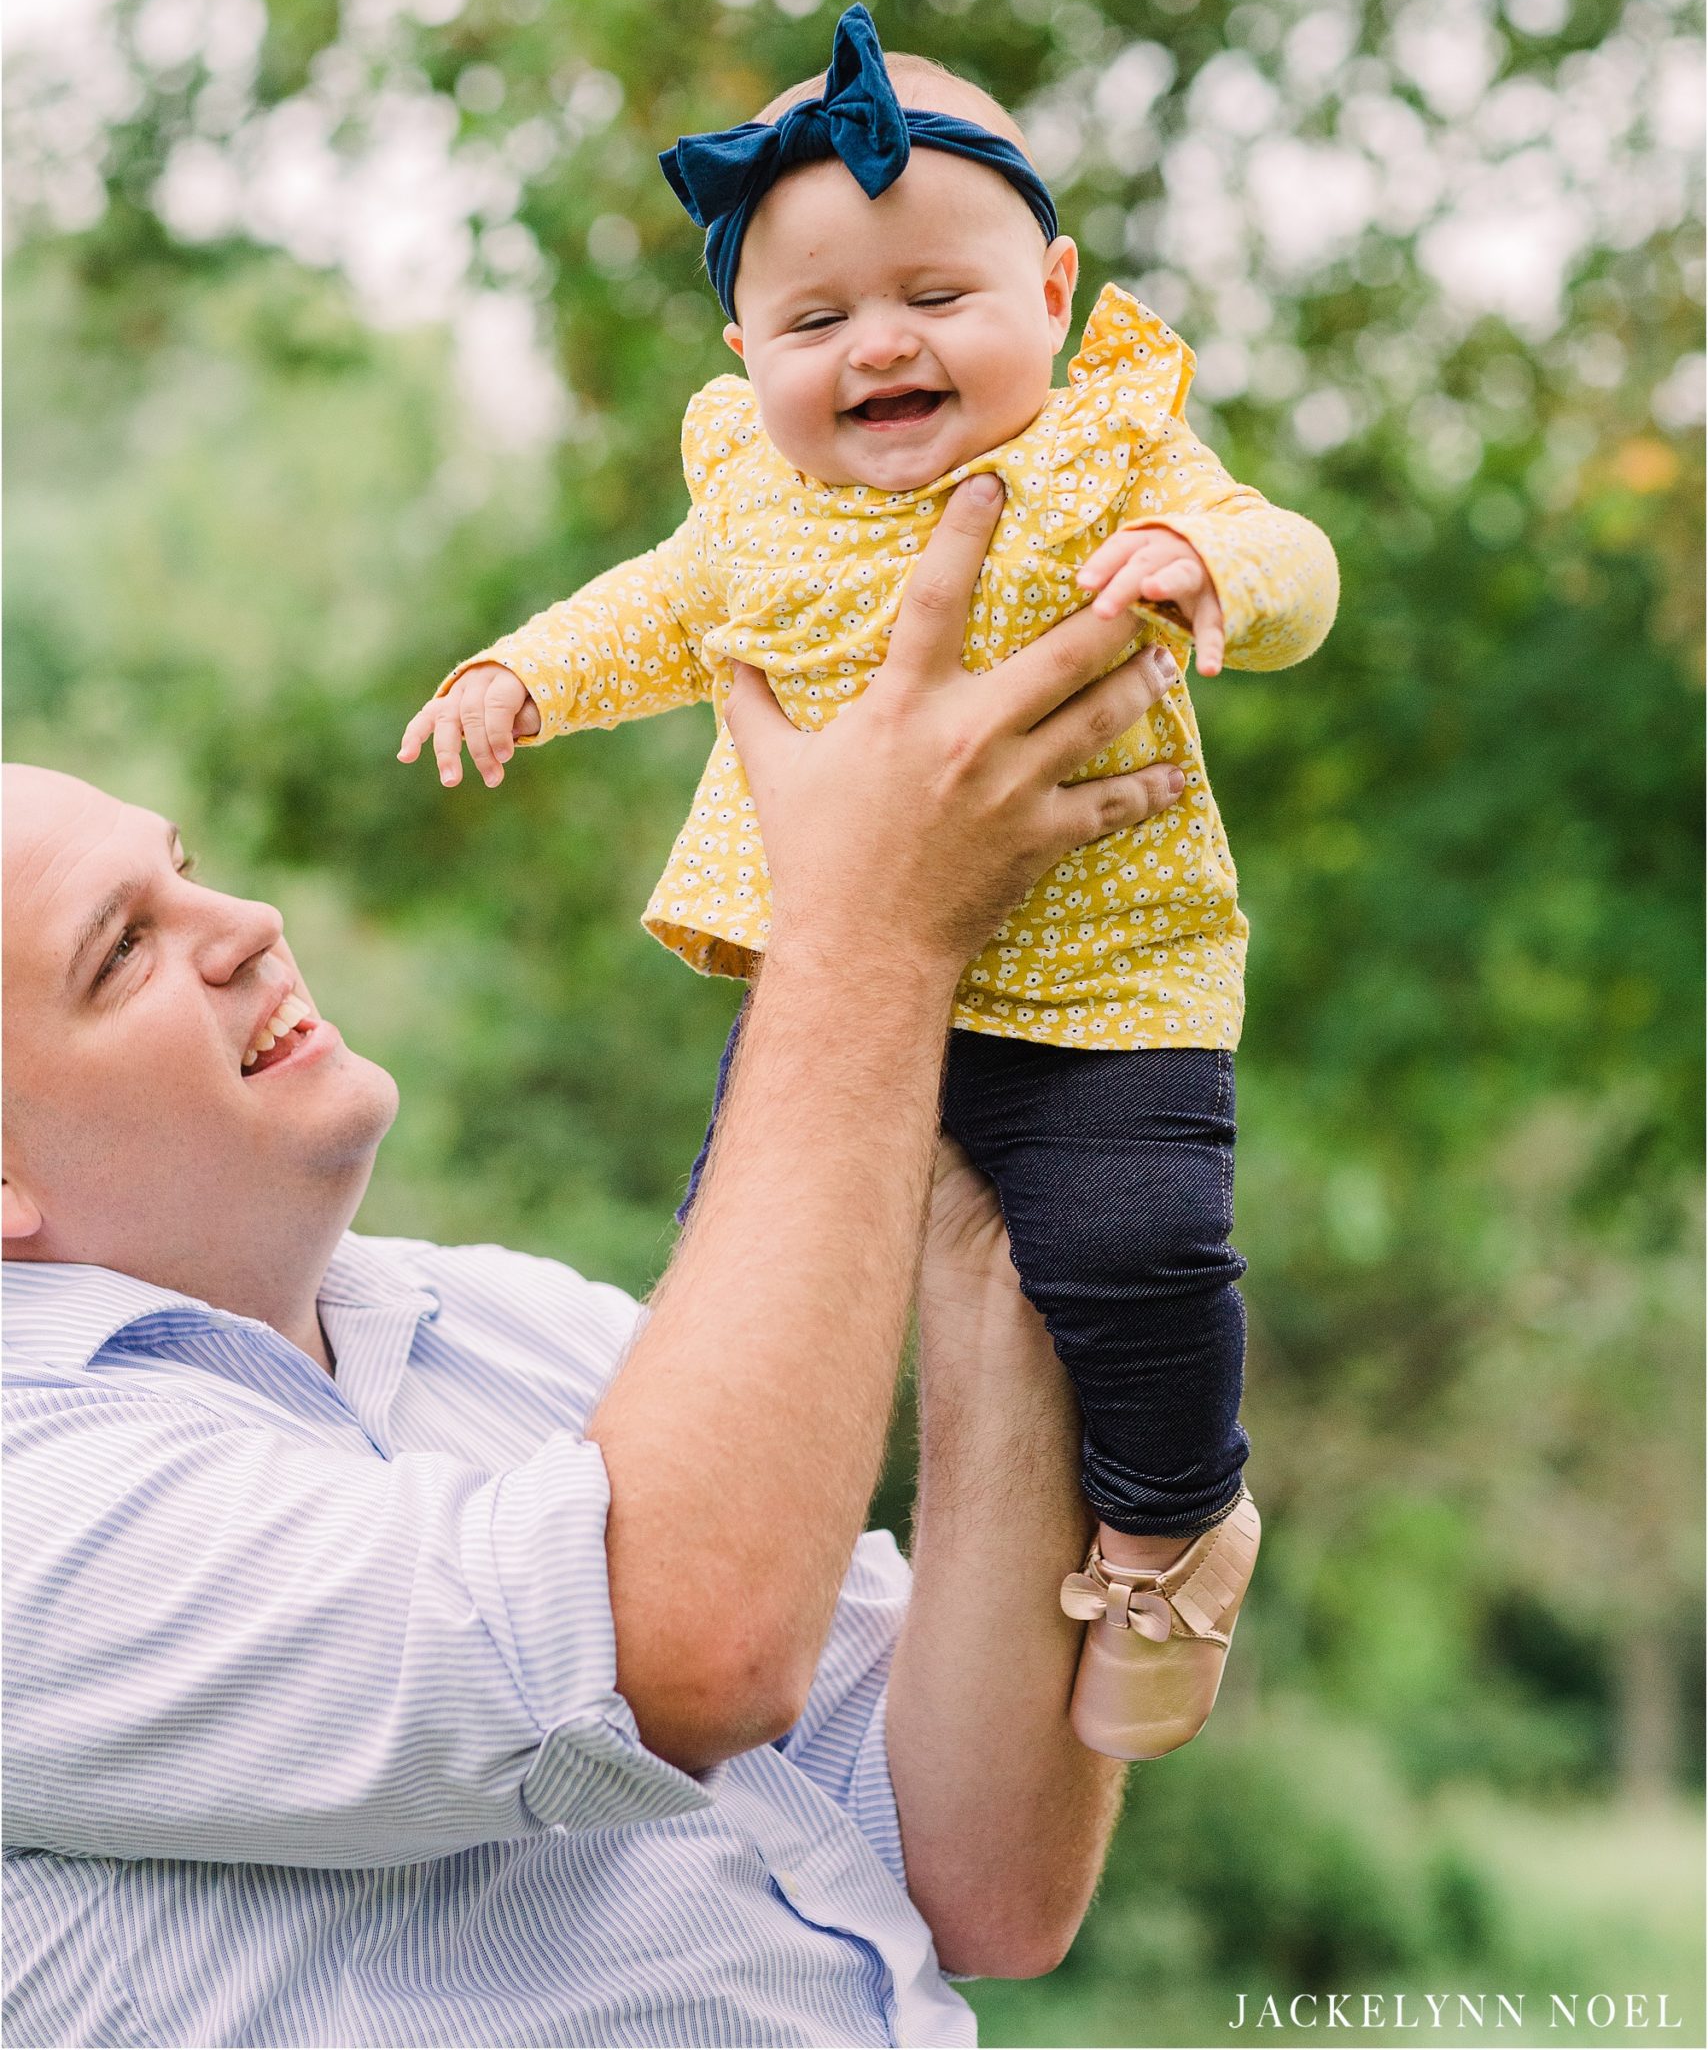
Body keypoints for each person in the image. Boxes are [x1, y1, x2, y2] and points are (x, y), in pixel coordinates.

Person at [3, 482, 1189, 2050]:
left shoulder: (507, 1322)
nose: (246, 923)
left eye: (186, 869)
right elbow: (687, 1645)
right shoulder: (28, 1501)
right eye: (122, 951)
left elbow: (986, 1878)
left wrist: (992, 1232)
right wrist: (867, 934)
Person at [400, 4, 1339, 1760]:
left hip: (1110, 980)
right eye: (817, 320)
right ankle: (726, 1568)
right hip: (837, 978)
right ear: (745, 350)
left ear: (1051, 296)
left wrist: (1208, 561)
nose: (882, 345)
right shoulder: (753, 506)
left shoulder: (1111, 459)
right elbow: (646, 609)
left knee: (1138, 1252)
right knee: (745, 1264)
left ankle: (1168, 1530)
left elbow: (1294, 561)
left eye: (937, 297)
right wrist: (516, 675)